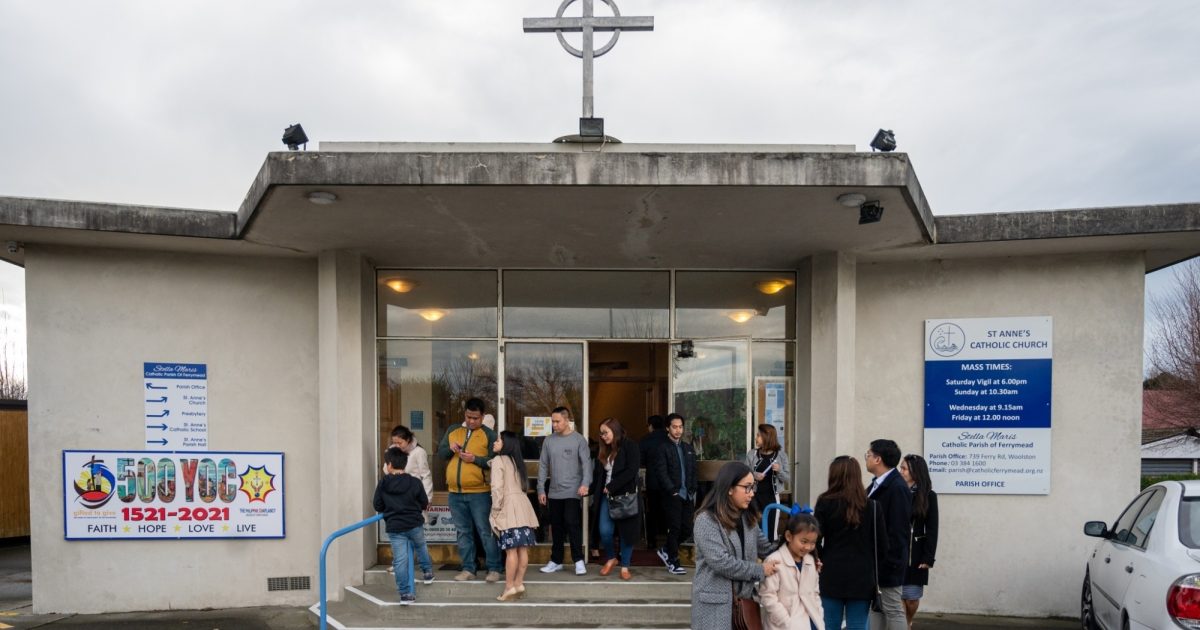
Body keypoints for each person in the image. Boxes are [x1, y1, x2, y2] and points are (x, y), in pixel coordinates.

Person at [690, 461, 779, 630]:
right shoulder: (706, 520)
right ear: (729, 488)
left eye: (753, 487)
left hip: (744, 606)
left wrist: (799, 553)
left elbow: (767, 549)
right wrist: (760, 570)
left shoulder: (748, 519)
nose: (751, 493)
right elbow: (722, 563)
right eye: (747, 487)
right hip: (714, 608)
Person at [814, 456, 885, 630]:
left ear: (834, 476)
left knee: (829, 625)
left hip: (831, 574)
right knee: (858, 625)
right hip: (862, 577)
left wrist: (821, 558)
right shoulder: (873, 506)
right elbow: (883, 546)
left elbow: (813, 540)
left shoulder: (824, 503)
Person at [436, 398, 503, 583]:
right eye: (468, 417)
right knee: (463, 532)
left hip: (479, 492)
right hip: (455, 492)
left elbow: (495, 462)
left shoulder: (489, 435)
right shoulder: (453, 430)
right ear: (464, 414)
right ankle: (468, 568)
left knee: (485, 531)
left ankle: (495, 568)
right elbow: (441, 454)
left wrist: (475, 460)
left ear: (483, 416)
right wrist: (450, 449)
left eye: (475, 418)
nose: (471, 421)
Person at [372, 447, 434, 605]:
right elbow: (424, 503)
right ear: (405, 464)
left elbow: (377, 505)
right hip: (414, 524)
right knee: (421, 546)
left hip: (395, 527)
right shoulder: (414, 482)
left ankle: (405, 594)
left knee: (400, 561)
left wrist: (390, 508)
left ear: (390, 465)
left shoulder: (383, 483)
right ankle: (427, 572)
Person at [537, 406, 592, 576]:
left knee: (572, 523)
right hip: (554, 491)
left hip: (573, 491)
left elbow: (587, 464)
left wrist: (585, 483)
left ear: (567, 420)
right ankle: (556, 560)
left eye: (557, 421)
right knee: (557, 526)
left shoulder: (579, 440)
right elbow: (543, 465)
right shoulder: (549, 440)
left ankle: (578, 560)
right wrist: (541, 489)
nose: (554, 424)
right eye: (552, 421)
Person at [865, 439, 912, 630]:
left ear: (878, 459)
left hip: (888, 562)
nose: (866, 458)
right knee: (877, 608)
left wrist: (890, 562)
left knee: (893, 608)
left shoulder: (897, 488)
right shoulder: (878, 484)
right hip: (876, 560)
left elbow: (898, 531)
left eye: (868, 455)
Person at [489, 431, 539, 602]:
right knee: (522, 549)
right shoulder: (518, 462)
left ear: (506, 444)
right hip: (523, 507)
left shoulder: (498, 460)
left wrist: (495, 510)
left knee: (511, 551)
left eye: (498, 440)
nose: (495, 443)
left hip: (509, 508)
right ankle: (519, 583)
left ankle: (509, 587)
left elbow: (497, 488)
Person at [591, 417, 641, 580]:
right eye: (601, 433)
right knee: (604, 531)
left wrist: (612, 486)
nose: (603, 436)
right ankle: (612, 557)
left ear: (615, 430)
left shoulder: (630, 446)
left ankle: (625, 566)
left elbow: (631, 470)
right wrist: (589, 489)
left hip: (625, 497)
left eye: (605, 432)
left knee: (627, 534)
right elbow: (600, 475)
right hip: (607, 497)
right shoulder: (604, 449)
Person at [759, 513, 825, 630]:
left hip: (812, 623)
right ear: (789, 536)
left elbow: (815, 593)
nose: (808, 547)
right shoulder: (775, 561)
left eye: (812, 543)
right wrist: (787, 623)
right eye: (804, 541)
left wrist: (819, 615)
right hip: (784, 626)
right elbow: (768, 596)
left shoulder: (811, 561)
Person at [652, 412, 697, 575]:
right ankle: (673, 560)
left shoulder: (688, 448)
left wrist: (692, 488)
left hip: (688, 495)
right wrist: (672, 491)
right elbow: (661, 473)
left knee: (687, 528)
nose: (678, 430)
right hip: (673, 495)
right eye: (674, 427)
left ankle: (666, 550)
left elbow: (693, 470)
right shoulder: (662, 448)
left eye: (680, 427)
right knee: (675, 528)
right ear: (667, 428)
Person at [899, 454, 939, 629]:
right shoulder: (896, 491)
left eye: (904, 468)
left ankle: (908, 621)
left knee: (912, 599)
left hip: (916, 553)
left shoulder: (929, 496)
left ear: (915, 472)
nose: (901, 471)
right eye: (901, 468)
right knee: (898, 597)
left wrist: (928, 557)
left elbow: (932, 528)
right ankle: (901, 626)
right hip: (897, 551)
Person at [744, 423, 791, 541]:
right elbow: (744, 474)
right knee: (754, 527)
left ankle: (769, 554)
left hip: (772, 498)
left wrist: (779, 470)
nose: (756, 438)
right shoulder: (752, 454)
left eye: (758, 435)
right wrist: (754, 476)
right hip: (753, 497)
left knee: (771, 528)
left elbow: (787, 478)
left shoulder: (781, 455)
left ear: (767, 437)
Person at [638, 414, 668, 550]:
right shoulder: (669, 439)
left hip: (653, 481)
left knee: (652, 511)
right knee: (669, 510)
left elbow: (640, 461)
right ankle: (669, 539)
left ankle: (652, 541)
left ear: (650, 426)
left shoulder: (645, 440)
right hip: (669, 482)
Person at [390, 425, 433, 499]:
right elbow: (386, 470)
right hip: (397, 495)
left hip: (414, 496)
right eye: (394, 443)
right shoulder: (394, 450)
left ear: (408, 439)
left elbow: (426, 476)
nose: (397, 446)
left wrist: (427, 498)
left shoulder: (419, 452)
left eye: (400, 443)